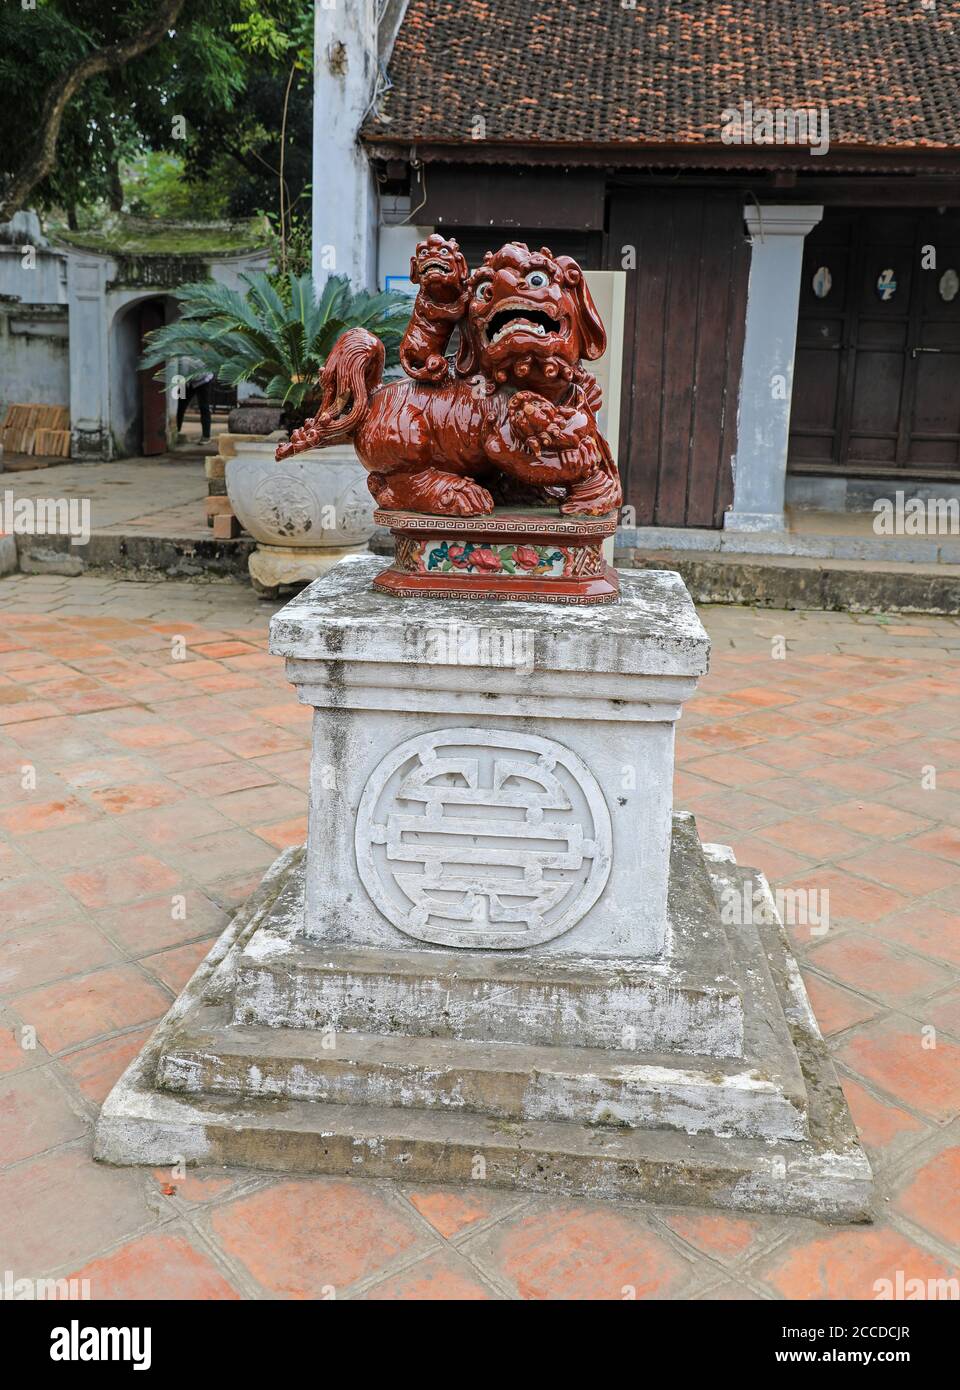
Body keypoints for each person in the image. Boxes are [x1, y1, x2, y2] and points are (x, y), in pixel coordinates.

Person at [176, 356, 214, 441]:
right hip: (190, 381)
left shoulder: (182, 362)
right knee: (180, 406)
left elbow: (183, 380)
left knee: (204, 407)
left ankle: (206, 436)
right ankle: (177, 432)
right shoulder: (175, 362)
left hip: (203, 380)